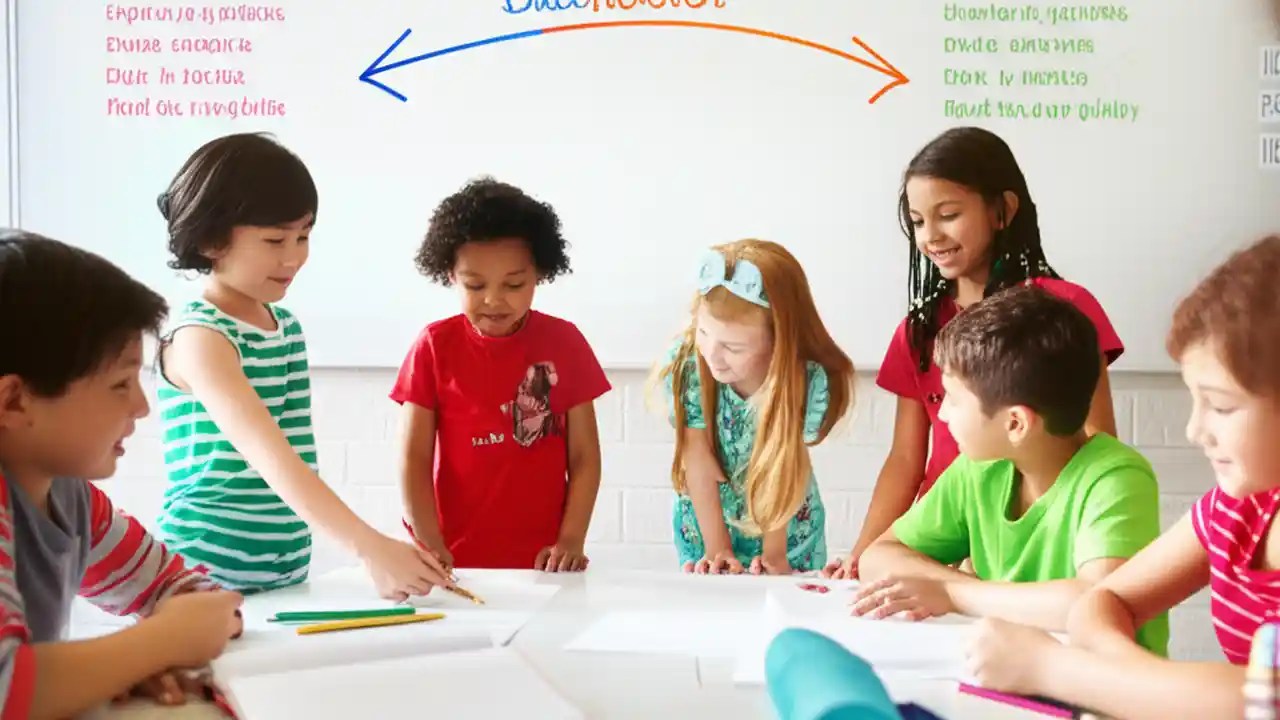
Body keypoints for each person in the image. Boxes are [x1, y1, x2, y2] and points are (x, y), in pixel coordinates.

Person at [966, 235, 1280, 720]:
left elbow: (1256, 701)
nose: (1195, 430)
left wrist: (1058, 669)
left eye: (1221, 406)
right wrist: (1129, 682)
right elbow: (1104, 598)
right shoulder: (1239, 508)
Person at [154, 132, 450, 598]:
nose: (295, 256)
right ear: (211, 240)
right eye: (275, 239)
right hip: (199, 574)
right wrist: (371, 548)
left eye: (304, 235)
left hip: (283, 572)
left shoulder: (283, 326)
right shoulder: (200, 337)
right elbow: (274, 460)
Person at [827, 126, 1123, 579]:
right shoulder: (918, 332)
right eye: (919, 221)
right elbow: (906, 460)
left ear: (1002, 210)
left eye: (948, 214)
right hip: (937, 542)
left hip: (1033, 546)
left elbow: (1096, 439)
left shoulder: (1062, 310)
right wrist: (864, 551)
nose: (930, 236)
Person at [0, 230, 243, 718]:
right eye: (119, 383)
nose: (142, 406)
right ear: (15, 400)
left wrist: (138, 658)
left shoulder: (71, 497)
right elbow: (8, 690)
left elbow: (198, 598)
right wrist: (155, 645)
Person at [851, 285, 1167, 655]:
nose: (943, 413)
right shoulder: (979, 469)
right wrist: (956, 587)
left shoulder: (1116, 478)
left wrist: (953, 592)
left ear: (1015, 424)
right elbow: (879, 557)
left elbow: (1093, 601)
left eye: (953, 398)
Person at [392, 177, 611, 571]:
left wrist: (571, 540)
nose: (494, 300)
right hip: (456, 563)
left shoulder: (565, 342)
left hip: (546, 564)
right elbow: (413, 459)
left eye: (514, 284)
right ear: (449, 276)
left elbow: (584, 458)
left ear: (540, 274)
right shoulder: (433, 347)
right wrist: (429, 543)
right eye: (475, 285)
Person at [650, 239, 855, 574]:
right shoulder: (690, 366)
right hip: (708, 523)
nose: (712, 355)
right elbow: (697, 460)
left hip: (786, 531)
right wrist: (718, 549)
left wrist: (774, 556)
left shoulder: (804, 382)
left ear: (779, 342)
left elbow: (784, 465)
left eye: (733, 346)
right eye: (703, 332)